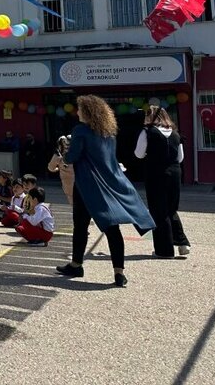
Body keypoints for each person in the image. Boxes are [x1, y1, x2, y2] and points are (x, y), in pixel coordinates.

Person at [57, 95, 156, 288]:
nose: (77, 112)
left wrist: (65, 157)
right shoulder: (108, 132)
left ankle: (76, 264)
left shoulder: (80, 130)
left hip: (87, 185)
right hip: (110, 182)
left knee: (80, 225)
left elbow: (74, 155)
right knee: (112, 227)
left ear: (87, 111)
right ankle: (119, 272)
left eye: (79, 109)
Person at [135, 105, 191, 258]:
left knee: (158, 211)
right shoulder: (175, 133)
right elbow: (180, 158)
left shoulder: (147, 132)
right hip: (174, 173)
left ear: (150, 117)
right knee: (171, 209)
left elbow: (139, 154)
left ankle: (164, 250)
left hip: (156, 173)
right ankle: (182, 242)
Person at [47, 135, 75, 206]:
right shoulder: (78, 153)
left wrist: (57, 169)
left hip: (68, 185)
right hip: (81, 182)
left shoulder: (58, 155)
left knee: (74, 204)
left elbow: (50, 167)